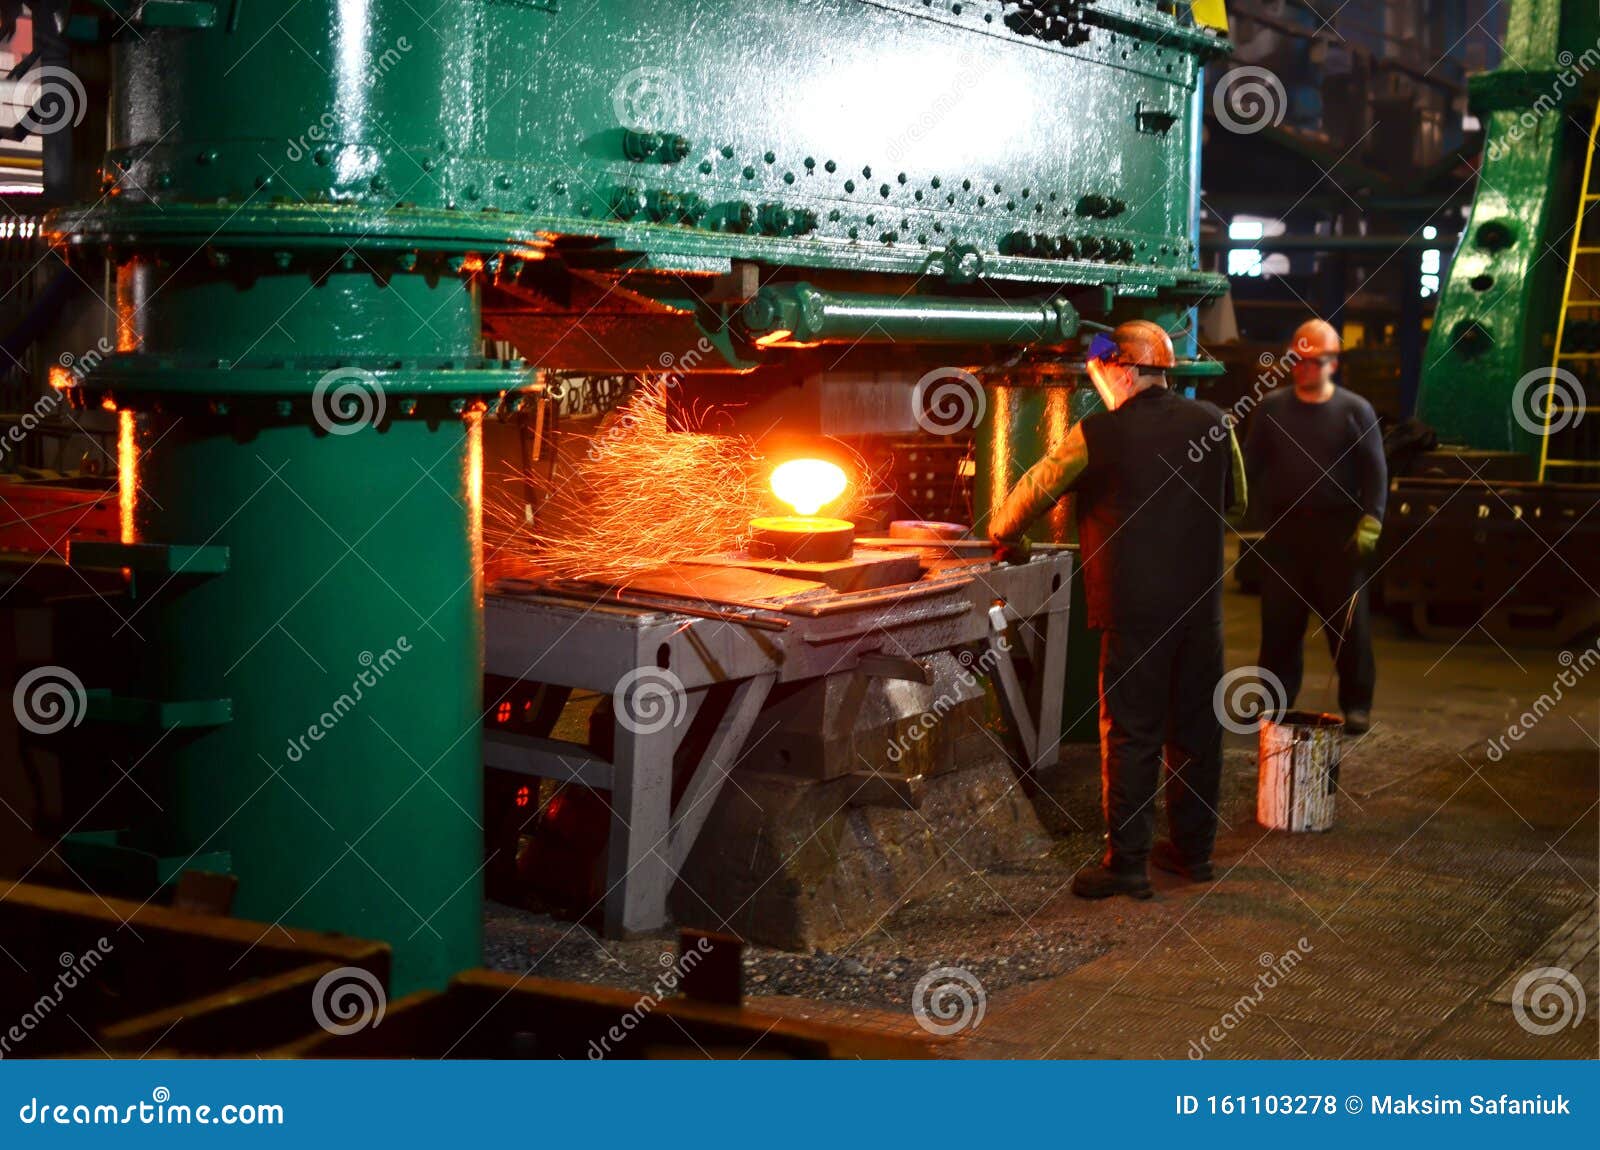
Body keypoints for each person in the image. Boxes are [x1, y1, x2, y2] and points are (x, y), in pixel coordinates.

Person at [989, 320, 1246, 899]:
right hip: (1200, 611)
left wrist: (1009, 538)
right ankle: (1192, 856)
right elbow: (1239, 500)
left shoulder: (1098, 432)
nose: (1100, 383)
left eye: (1101, 372)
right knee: (1196, 730)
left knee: (1131, 733)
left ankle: (1126, 866)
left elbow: (1029, 493)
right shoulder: (1214, 422)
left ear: (1124, 369)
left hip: (1132, 612)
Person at [1244, 318, 1385, 733]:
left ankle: (1357, 704)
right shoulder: (1271, 408)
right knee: (1279, 625)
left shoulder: (1355, 411)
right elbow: (1250, 467)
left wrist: (1372, 519)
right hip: (1286, 534)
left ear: (1333, 363)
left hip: (1337, 536)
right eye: (1298, 360)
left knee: (1348, 630)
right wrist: (1246, 521)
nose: (1304, 368)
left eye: (1314, 361)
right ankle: (1274, 702)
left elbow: (1376, 472)